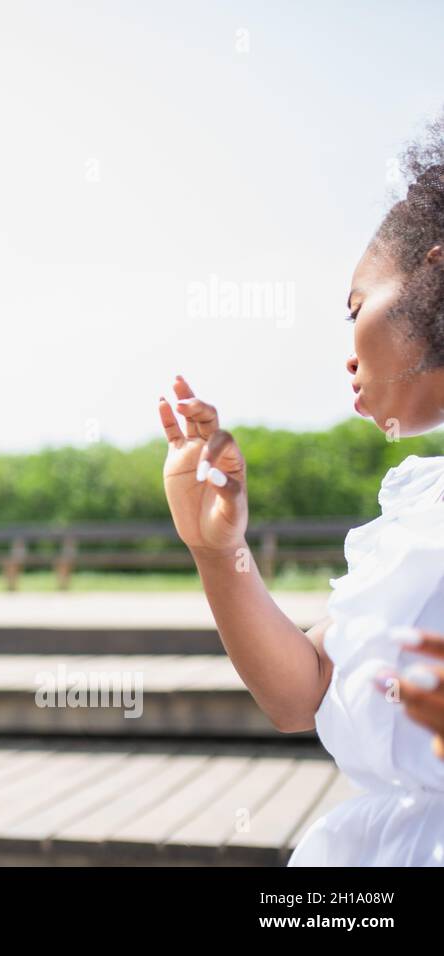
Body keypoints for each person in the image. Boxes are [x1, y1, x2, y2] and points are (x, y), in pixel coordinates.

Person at [158, 112, 444, 866]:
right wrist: (217, 553)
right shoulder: (421, 508)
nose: (348, 352)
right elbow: (303, 692)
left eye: (355, 307)